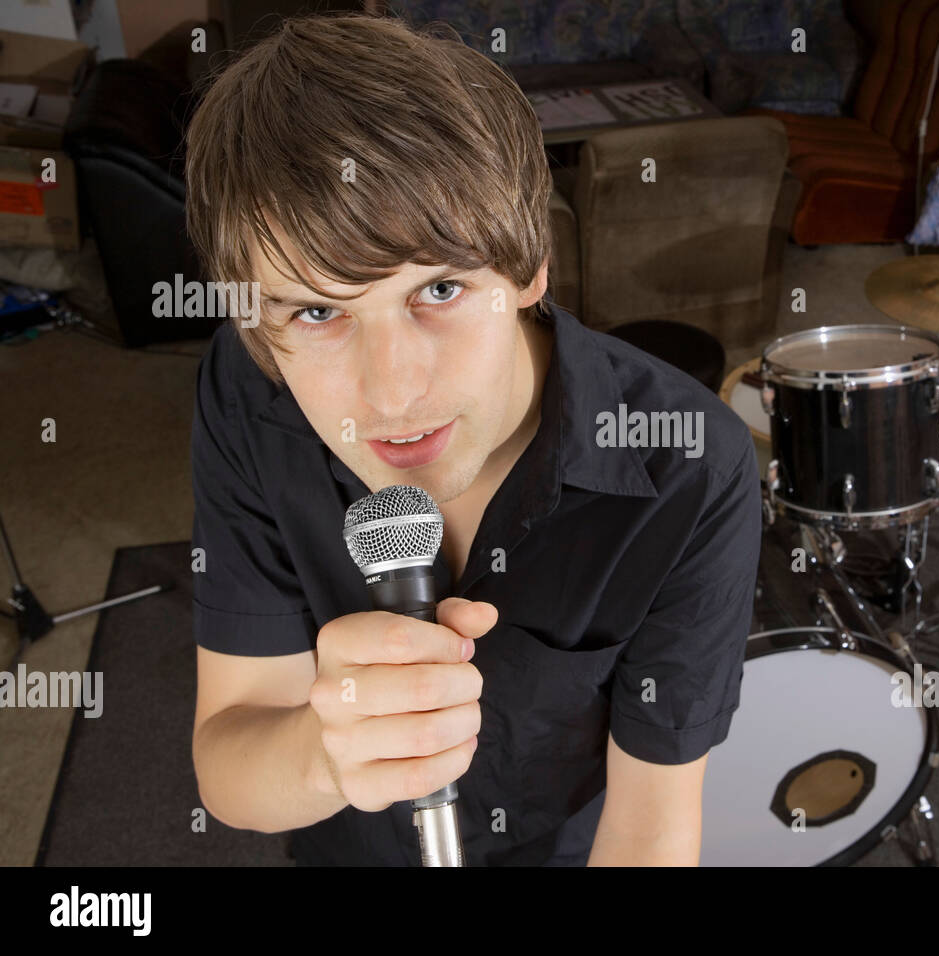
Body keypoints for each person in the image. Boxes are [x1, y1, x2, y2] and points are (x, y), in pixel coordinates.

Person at [184, 13, 761, 865]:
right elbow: (229, 764)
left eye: (442, 288)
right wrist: (322, 751)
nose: (392, 394)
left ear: (530, 266)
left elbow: (651, 824)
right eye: (317, 312)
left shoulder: (691, 467)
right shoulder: (247, 393)